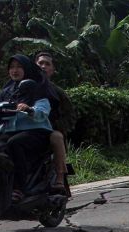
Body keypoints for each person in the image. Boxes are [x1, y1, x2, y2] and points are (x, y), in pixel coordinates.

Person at [0, 54, 56, 201]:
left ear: (26, 69)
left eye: (19, 67)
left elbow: (43, 110)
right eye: (12, 67)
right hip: (11, 131)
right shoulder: (7, 90)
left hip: (36, 132)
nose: (14, 70)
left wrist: (30, 109)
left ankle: (19, 188)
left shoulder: (36, 87)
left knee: (14, 144)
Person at [35, 51, 74, 194]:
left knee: (56, 137)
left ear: (53, 69)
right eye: (40, 63)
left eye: (47, 64)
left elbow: (70, 115)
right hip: (27, 130)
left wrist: (54, 126)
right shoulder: (23, 86)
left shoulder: (57, 92)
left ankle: (59, 177)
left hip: (50, 131)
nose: (43, 66)